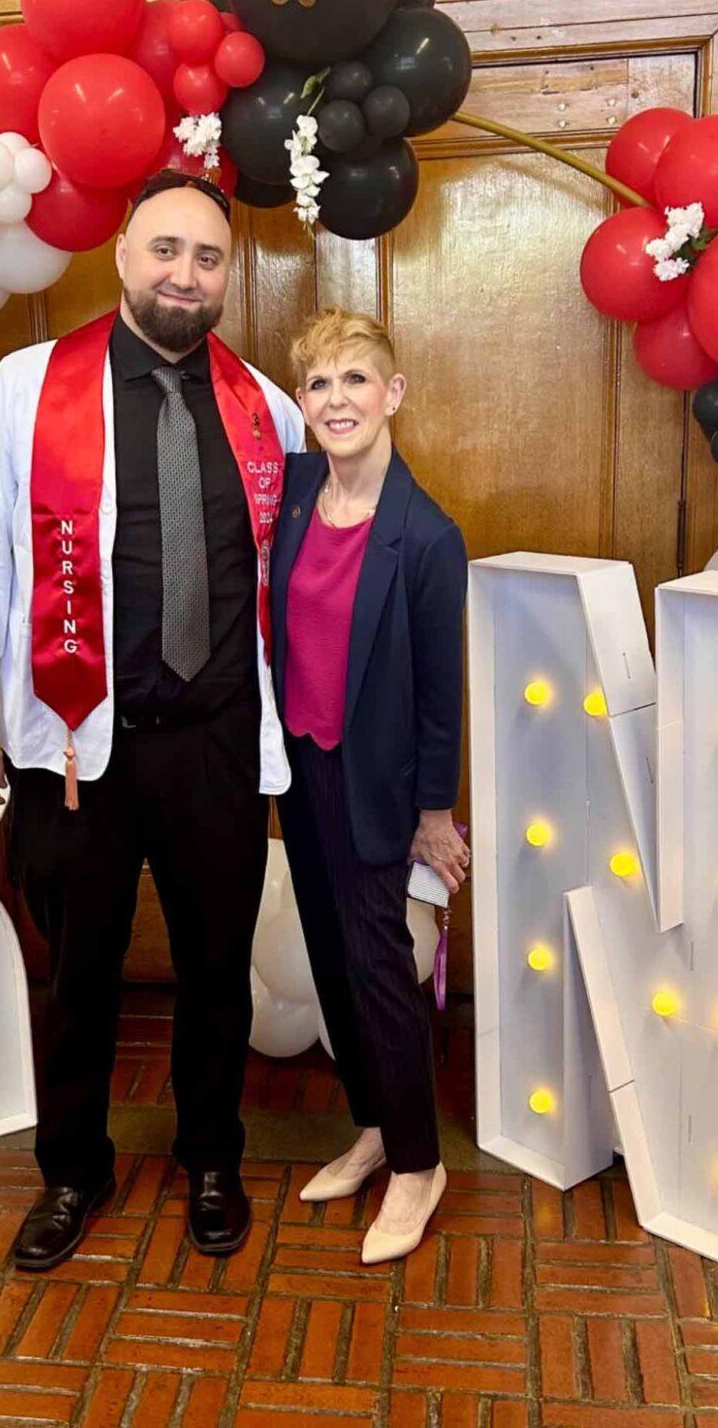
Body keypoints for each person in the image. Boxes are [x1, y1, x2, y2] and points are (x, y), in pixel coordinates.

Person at [0, 170, 303, 1271]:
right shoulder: (25, 388)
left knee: (214, 967)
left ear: (226, 275)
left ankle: (213, 1155)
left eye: (206, 257)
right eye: (163, 250)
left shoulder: (264, 408)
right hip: (71, 745)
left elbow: (291, 581)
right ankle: (71, 1171)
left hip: (216, 744)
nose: (183, 274)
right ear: (121, 256)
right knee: (77, 972)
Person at [270, 308, 468, 1265]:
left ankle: (420, 1164)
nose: (335, 399)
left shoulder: (427, 538)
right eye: (318, 384)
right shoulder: (298, 489)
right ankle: (374, 1125)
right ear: (301, 406)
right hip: (300, 768)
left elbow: (440, 693)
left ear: (392, 395)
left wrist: (434, 813)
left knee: (379, 966)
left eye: (355, 381)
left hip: (377, 781)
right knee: (330, 957)